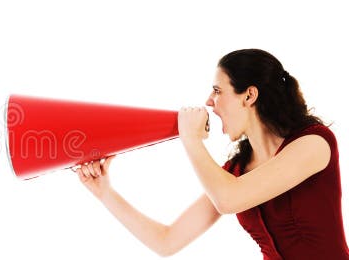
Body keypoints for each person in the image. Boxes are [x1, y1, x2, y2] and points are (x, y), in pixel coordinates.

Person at [75, 49, 348, 259]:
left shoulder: (314, 142)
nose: (208, 101)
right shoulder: (235, 172)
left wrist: (192, 140)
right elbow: (167, 241)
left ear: (249, 95)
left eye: (217, 91)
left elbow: (230, 199)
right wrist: (104, 192)